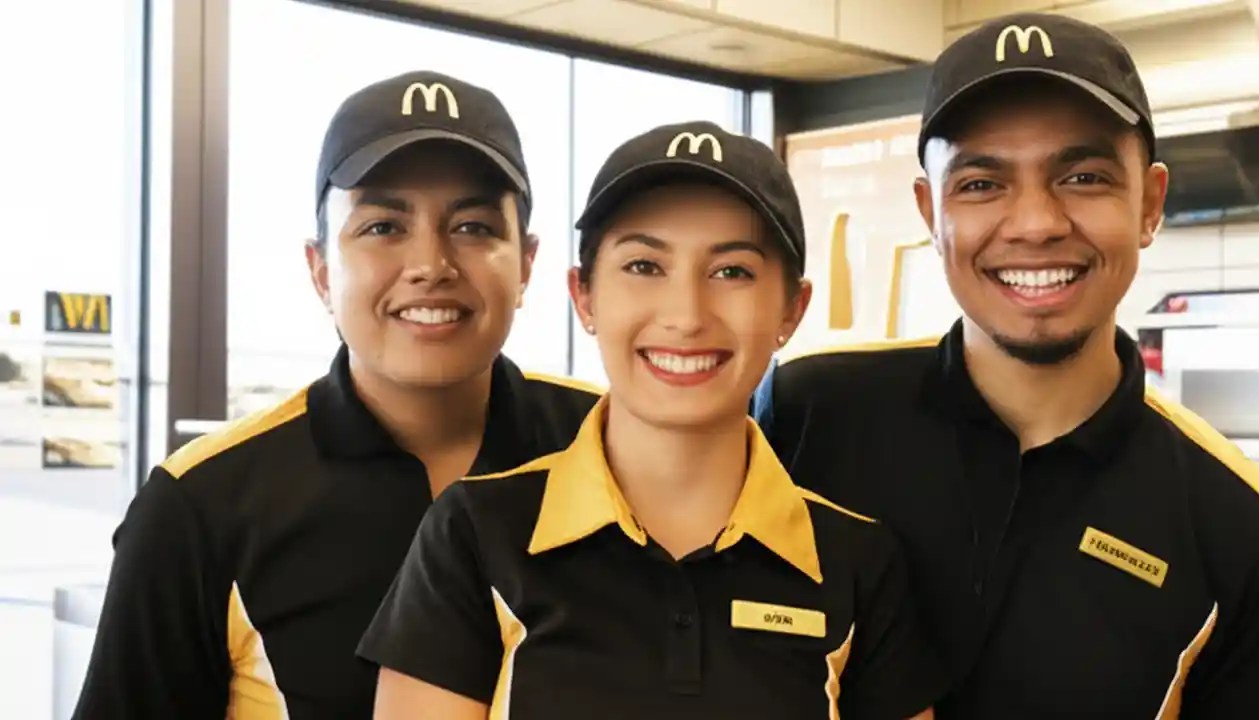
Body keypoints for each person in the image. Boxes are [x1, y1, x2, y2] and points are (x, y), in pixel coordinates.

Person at [755, 13, 1259, 719]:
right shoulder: (804, 415)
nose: (1035, 223)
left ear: (1150, 203)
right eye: (980, 184)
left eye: (1084, 176)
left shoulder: (1242, 528)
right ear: (929, 210)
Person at [356, 121, 949, 719]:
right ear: (584, 296)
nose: (686, 315)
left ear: (792, 309)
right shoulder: (476, 536)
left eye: (731, 271)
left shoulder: (857, 564)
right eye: (644, 266)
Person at [72, 71, 599, 718]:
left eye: (473, 226)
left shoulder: (610, 446)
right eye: (382, 227)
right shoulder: (201, 508)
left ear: (526, 264)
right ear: (320, 270)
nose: (431, 264)